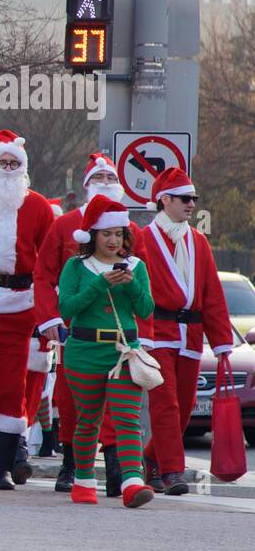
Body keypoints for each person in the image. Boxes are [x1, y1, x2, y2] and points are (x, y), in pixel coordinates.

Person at [34, 152, 145, 494]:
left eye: (112, 179)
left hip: (123, 344)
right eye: (99, 179)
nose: (106, 185)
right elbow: (45, 276)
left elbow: (145, 299)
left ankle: (123, 474)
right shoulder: (66, 225)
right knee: (78, 409)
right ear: (85, 186)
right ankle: (74, 466)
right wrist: (50, 319)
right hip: (79, 338)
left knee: (124, 412)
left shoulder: (133, 232)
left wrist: (144, 337)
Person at [139, 166, 232, 496]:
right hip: (157, 333)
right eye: (184, 198)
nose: (191, 204)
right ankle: (172, 472)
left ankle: (150, 458)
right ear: (164, 201)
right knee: (165, 404)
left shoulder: (198, 241)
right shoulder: (144, 239)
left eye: (194, 198)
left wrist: (221, 342)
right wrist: (141, 336)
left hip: (190, 336)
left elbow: (212, 295)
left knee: (185, 405)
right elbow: (137, 291)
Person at [57, 194, 155, 508]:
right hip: (84, 351)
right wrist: (100, 284)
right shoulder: (76, 266)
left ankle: (132, 482)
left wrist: (129, 284)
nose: (113, 241)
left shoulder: (136, 266)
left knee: (127, 419)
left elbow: (146, 308)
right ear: (93, 236)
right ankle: (84, 479)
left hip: (124, 351)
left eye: (118, 234)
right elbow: (67, 308)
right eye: (106, 234)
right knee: (89, 419)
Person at [0, 129, 53, 489]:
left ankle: (2, 467)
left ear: (22, 168)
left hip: (21, 304)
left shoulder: (37, 206)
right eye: (1, 163)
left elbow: (50, 262)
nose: (7, 169)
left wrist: (46, 312)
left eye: (14, 163)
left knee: (11, 384)